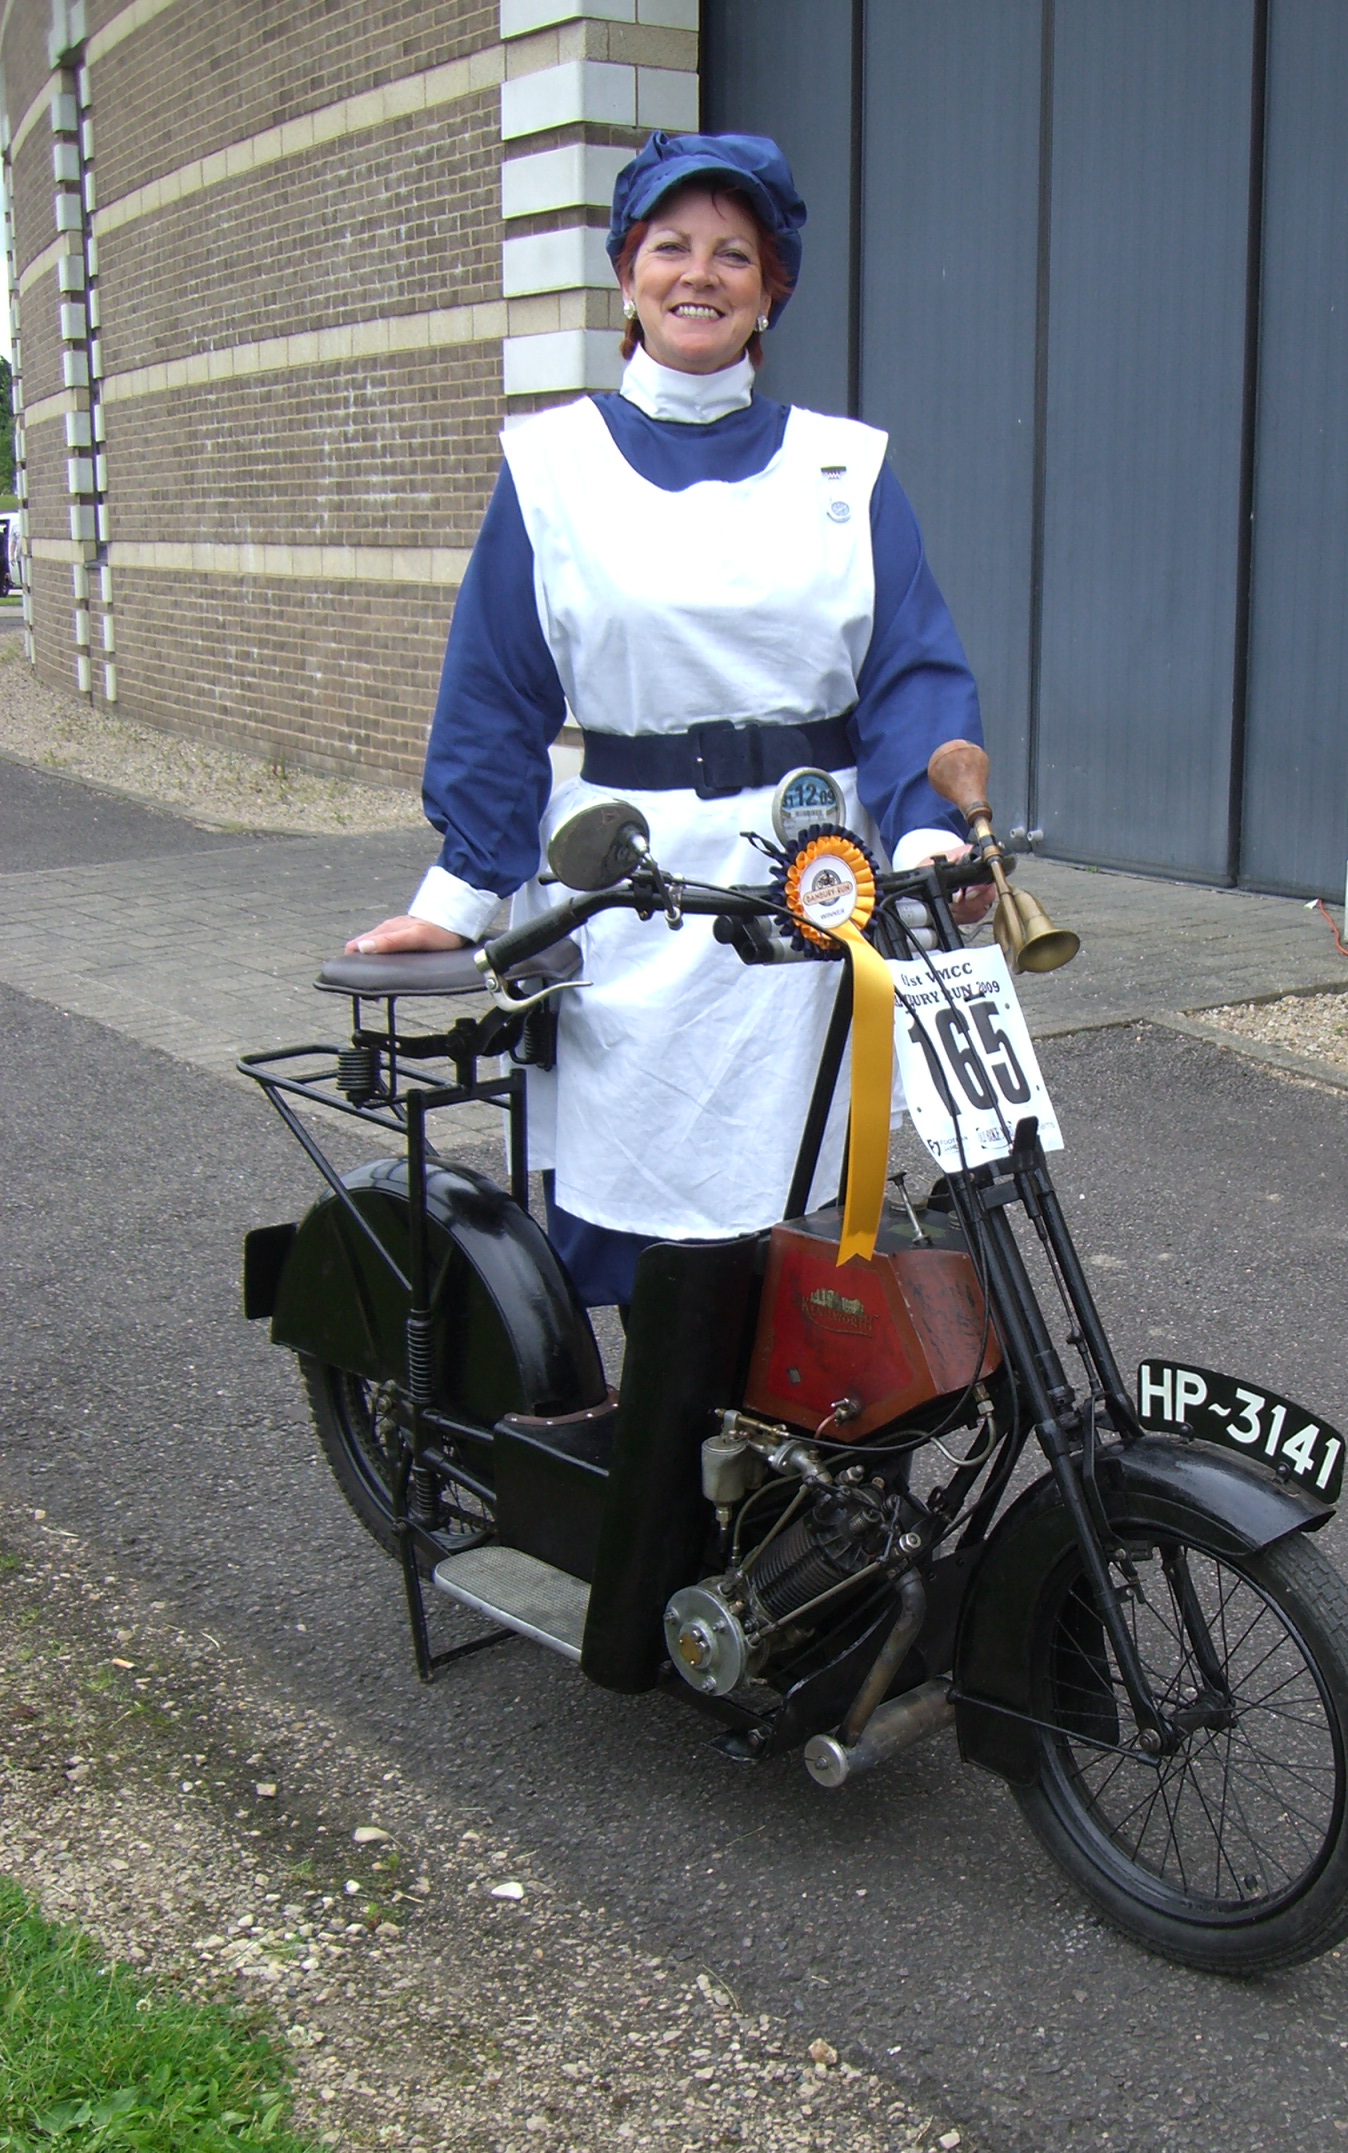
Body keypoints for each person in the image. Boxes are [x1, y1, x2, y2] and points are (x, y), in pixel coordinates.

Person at [347, 131, 984, 1306]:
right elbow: (498, 696)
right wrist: (454, 901)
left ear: (771, 289)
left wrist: (930, 836)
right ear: (628, 271)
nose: (702, 273)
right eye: (672, 246)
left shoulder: (846, 468)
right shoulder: (553, 468)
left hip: (813, 875)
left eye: (735, 254)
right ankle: (630, 1472)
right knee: (628, 1197)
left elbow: (909, 675)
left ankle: (784, 1471)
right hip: (627, 884)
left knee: (800, 1196)